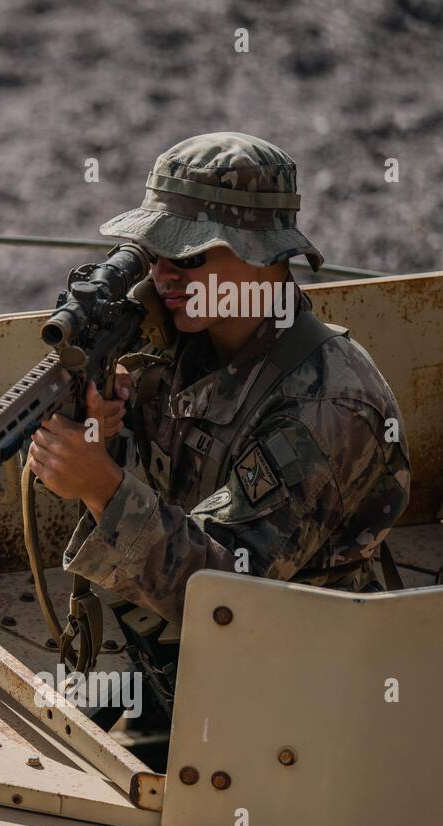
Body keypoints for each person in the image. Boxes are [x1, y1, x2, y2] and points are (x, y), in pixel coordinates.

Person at [25, 132, 411, 629]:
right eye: (153, 254)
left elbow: (226, 601)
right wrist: (98, 430)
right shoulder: (183, 340)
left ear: (260, 257)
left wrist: (103, 489)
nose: (163, 276)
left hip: (295, 667)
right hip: (176, 654)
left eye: (188, 257)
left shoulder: (326, 407)